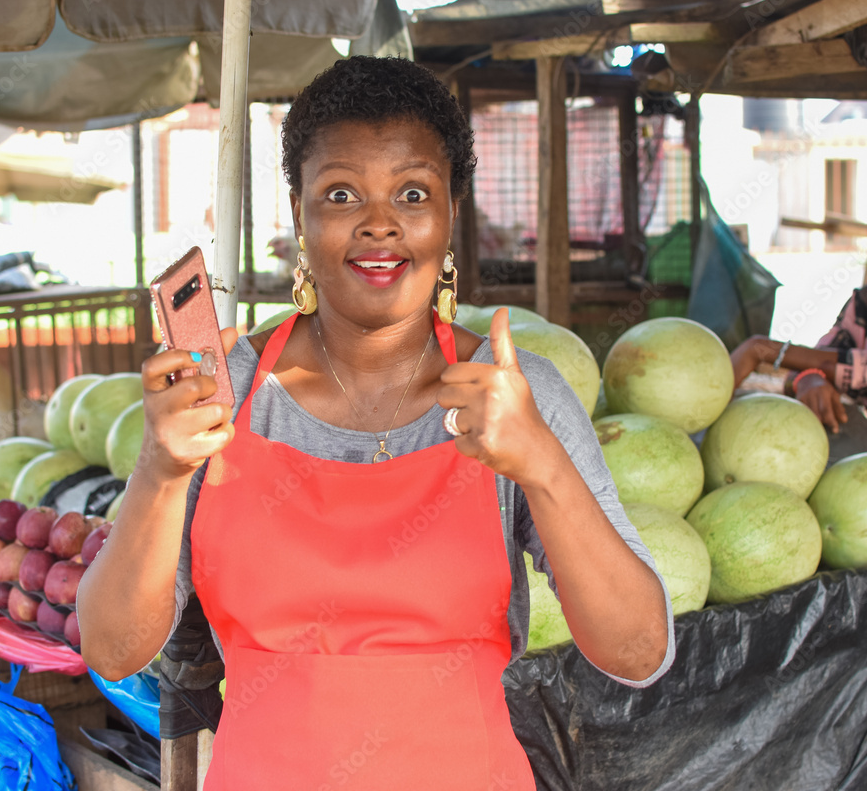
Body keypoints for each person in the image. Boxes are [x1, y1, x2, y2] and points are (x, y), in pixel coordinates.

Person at [78, 56, 673, 789]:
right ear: (298, 211)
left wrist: (544, 466)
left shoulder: (513, 395)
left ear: (452, 211)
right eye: (341, 194)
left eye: (413, 192)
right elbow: (112, 650)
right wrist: (160, 472)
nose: (380, 224)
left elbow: (639, 651)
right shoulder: (220, 392)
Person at [731, 286, 867, 434]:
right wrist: (809, 377)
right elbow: (818, 358)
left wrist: (759, 349)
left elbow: (857, 369)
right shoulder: (861, 303)